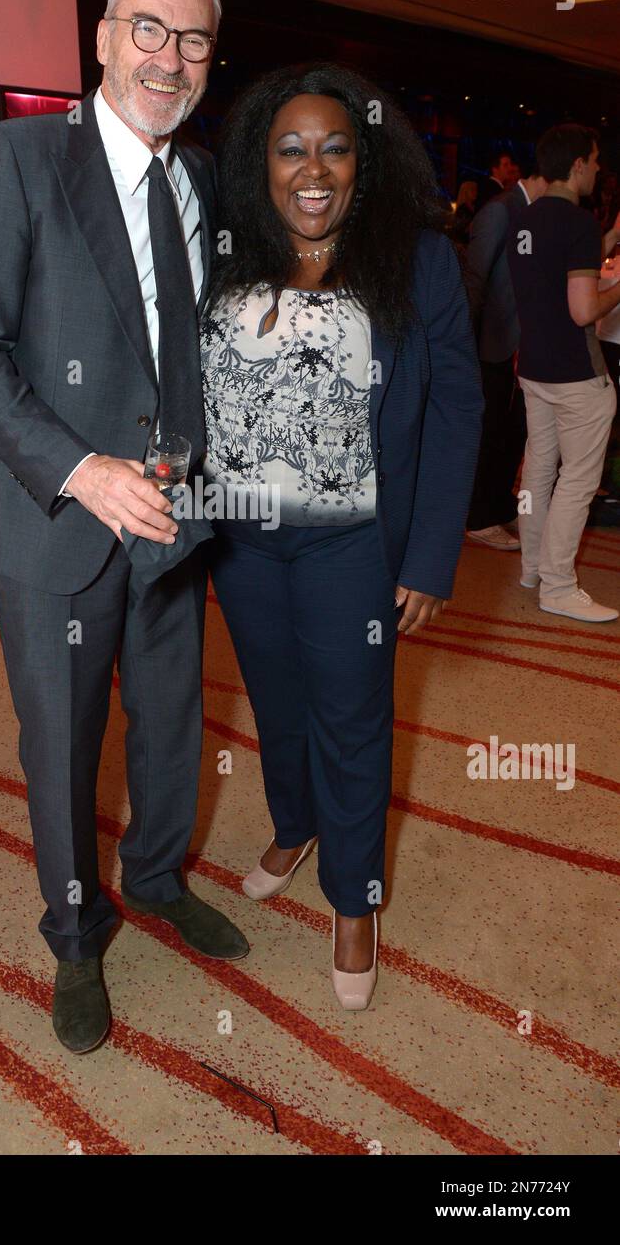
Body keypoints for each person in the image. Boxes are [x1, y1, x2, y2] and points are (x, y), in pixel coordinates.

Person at [0, 0, 248, 1056]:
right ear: (105, 37)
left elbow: (189, 344)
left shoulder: (197, 175)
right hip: (58, 514)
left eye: (194, 38)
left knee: (169, 724)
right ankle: (73, 931)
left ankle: (154, 877)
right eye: (149, 29)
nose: (170, 57)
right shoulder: (16, 160)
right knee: (62, 742)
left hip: (170, 515)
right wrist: (81, 467)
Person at [200, 63, 484, 1010]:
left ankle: (354, 897)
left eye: (333, 147)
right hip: (239, 537)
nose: (310, 169)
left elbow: (454, 410)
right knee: (275, 704)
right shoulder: (224, 252)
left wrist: (429, 555)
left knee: (352, 718)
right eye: (289, 149)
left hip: (352, 542)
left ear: (364, 160)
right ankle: (294, 822)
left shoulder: (416, 258)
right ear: (260, 162)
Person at [507, 124, 620, 622]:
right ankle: (557, 584)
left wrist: (610, 238)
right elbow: (582, 310)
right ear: (577, 164)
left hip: (533, 367)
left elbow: (552, 273)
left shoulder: (524, 218)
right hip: (576, 375)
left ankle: (533, 566)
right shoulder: (578, 224)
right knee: (576, 481)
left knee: (538, 470)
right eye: (594, 160)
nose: (598, 168)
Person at [463, 170, 548, 548]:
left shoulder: (531, 212)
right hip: (486, 345)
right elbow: (475, 279)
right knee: (490, 432)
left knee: (512, 430)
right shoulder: (501, 210)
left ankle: (498, 505)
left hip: (516, 344)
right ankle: (479, 516)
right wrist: (464, 345)